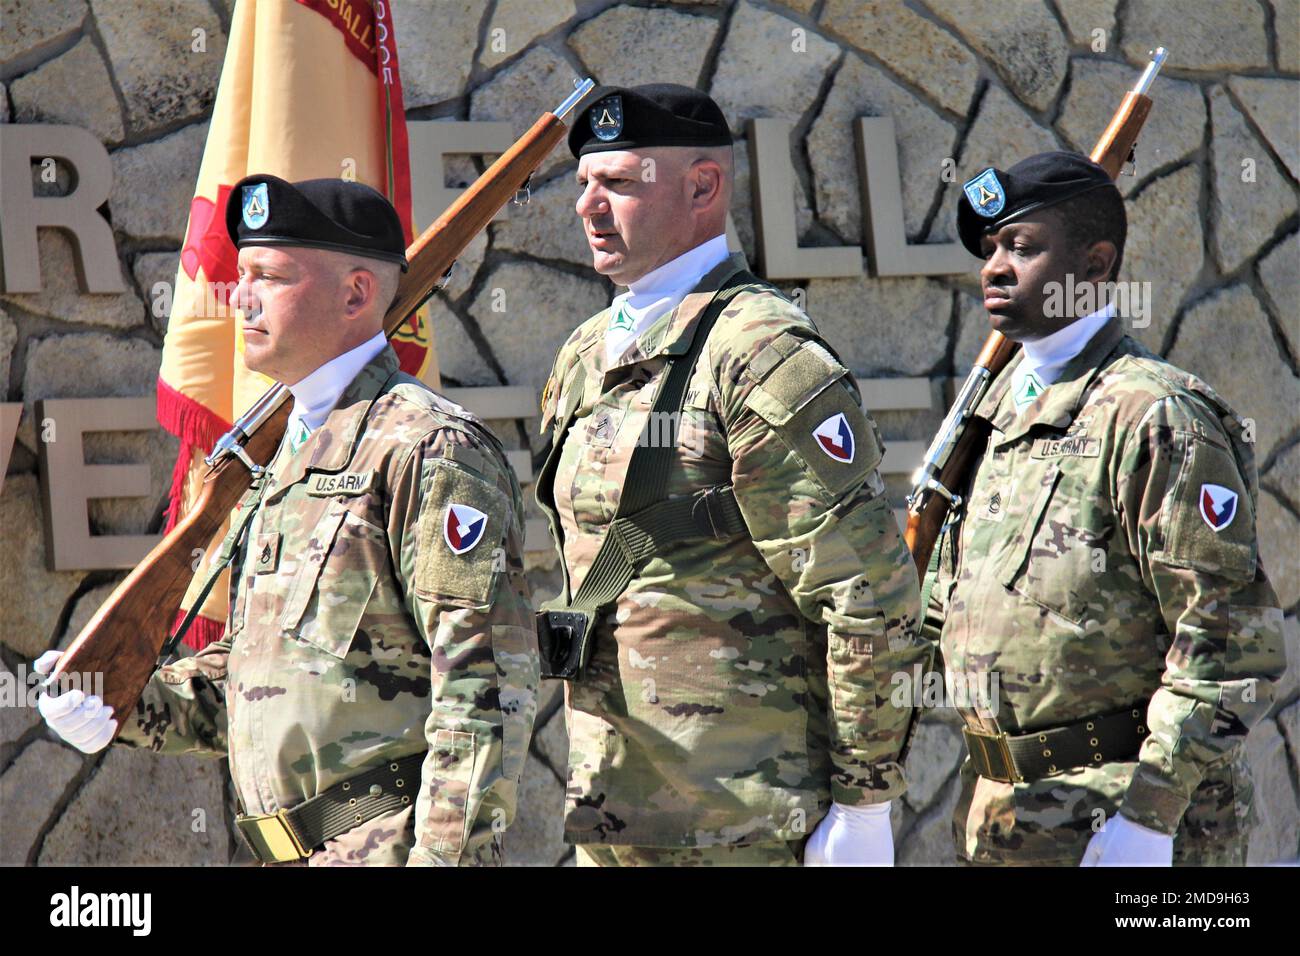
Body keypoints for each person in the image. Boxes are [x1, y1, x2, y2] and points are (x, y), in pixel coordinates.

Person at [37, 175, 538, 867]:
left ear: (357, 293)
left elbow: (486, 688)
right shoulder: (276, 458)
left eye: (268, 276)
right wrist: (123, 700)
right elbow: (258, 677)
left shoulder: (426, 448)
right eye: (242, 274)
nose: (239, 296)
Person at [536, 84, 927, 867]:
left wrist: (864, 805)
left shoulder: (760, 354)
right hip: (617, 813)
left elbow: (867, 595)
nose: (588, 205)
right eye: (582, 183)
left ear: (704, 187)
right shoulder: (585, 355)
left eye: (618, 183)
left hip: (742, 825)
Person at [921, 151, 1287, 865]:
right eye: (989, 249)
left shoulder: (1154, 414)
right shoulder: (995, 414)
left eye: (1021, 248)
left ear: (1093, 266)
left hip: (1124, 816)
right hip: (1003, 814)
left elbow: (1227, 637)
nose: (995, 267)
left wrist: (1150, 817)